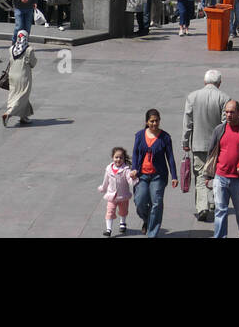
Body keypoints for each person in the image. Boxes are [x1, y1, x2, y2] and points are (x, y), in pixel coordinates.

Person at [205, 100, 239, 239]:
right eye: (226, 112)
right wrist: (208, 176)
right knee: (220, 211)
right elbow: (212, 152)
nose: (228, 115)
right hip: (220, 177)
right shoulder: (219, 130)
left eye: (232, 112)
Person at [183, 70, 226, 222]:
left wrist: (185, 142)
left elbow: (188, 122)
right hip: (217, 146)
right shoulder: (224, 98)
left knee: (200, 175)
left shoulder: (192, 97)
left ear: (204, 81)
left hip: (198, 144)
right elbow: (224, 124)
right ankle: (213, 201)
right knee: (215, 173)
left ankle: (202, 207)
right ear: (219, 83)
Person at [131, 109, 178, 237]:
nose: (154, 123)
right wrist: (134, 168)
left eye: (156, 121)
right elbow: (135, 153)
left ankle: (152, 233)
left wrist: (174, 176)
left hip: (158, 176)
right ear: (147, 122)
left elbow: (170, 157)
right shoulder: (140, 135)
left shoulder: (165, 137)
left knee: (156, 203)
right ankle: (147, 220)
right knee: (139, 201)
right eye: (152, 121)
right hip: (142, 175)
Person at [97, 146, 136, 236]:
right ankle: (108, 229)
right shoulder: (109, 169)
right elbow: (106, 181)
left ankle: (122, 223)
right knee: (109, 211)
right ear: (112, 157)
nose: (118, 159)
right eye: (116, 157)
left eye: (121, 157)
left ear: (124, 159)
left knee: (123, 211)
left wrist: (133, 177)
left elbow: (130, 181)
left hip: (123, 196)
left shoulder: (126, 169)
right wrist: (103, 188)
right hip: (111, 196)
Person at [1, 30, 36, 127]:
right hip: (23, 76)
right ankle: (8, 113)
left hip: (12, 75)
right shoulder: (29, 50)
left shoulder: (11, 48)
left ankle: (23, 117)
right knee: (22, 95)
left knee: (16, 94)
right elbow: (33, 63)